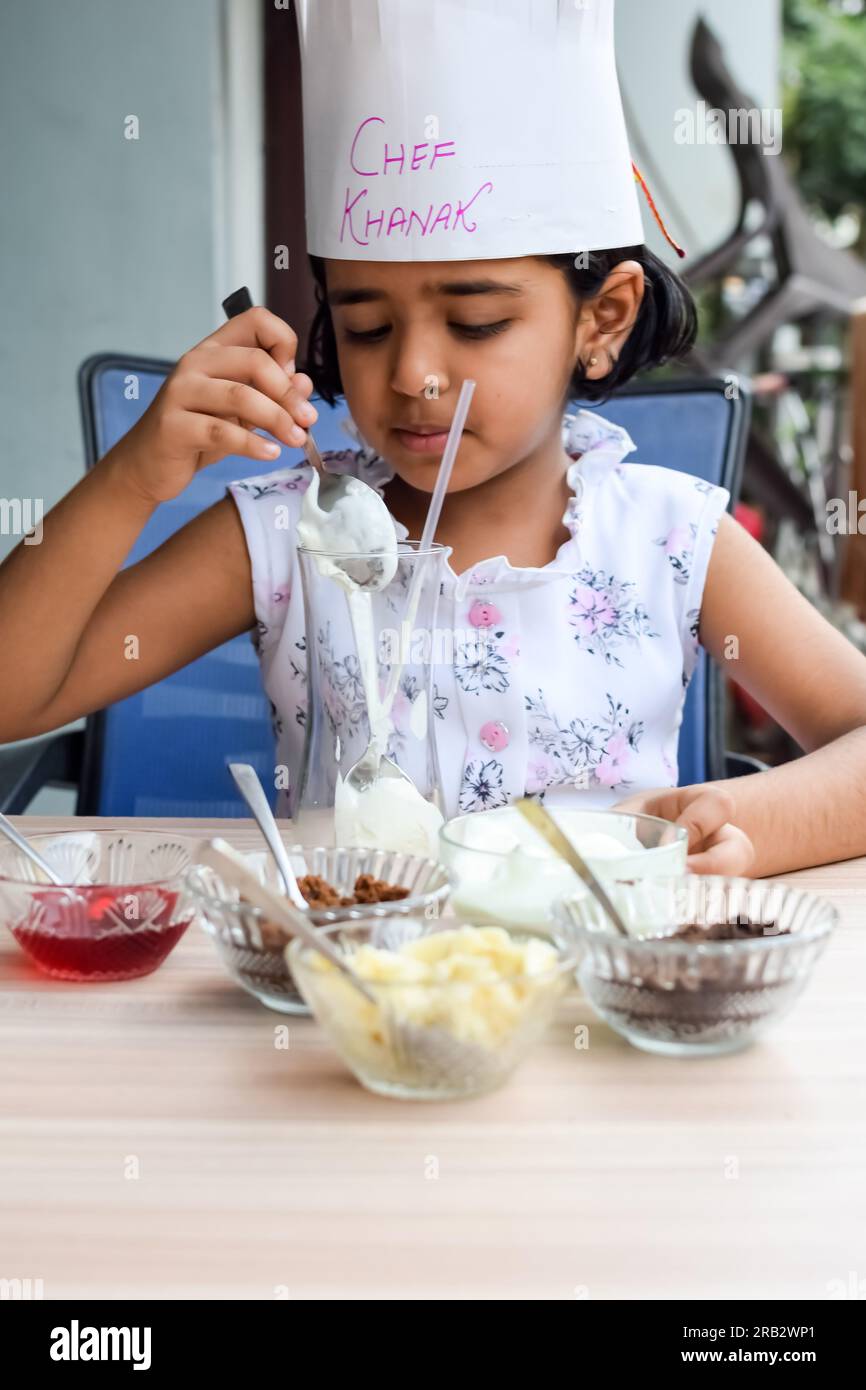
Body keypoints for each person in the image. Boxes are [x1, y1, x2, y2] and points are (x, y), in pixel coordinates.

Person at [2, 0, 866, 878]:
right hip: (347, 998)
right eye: (367, 327)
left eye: (478, 322)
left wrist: (735, 817)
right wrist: (132, 479)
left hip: (595, 992)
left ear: (602, 317)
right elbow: (12, 694)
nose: (414, 372)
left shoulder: (671, 540)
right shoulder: (289, 534)